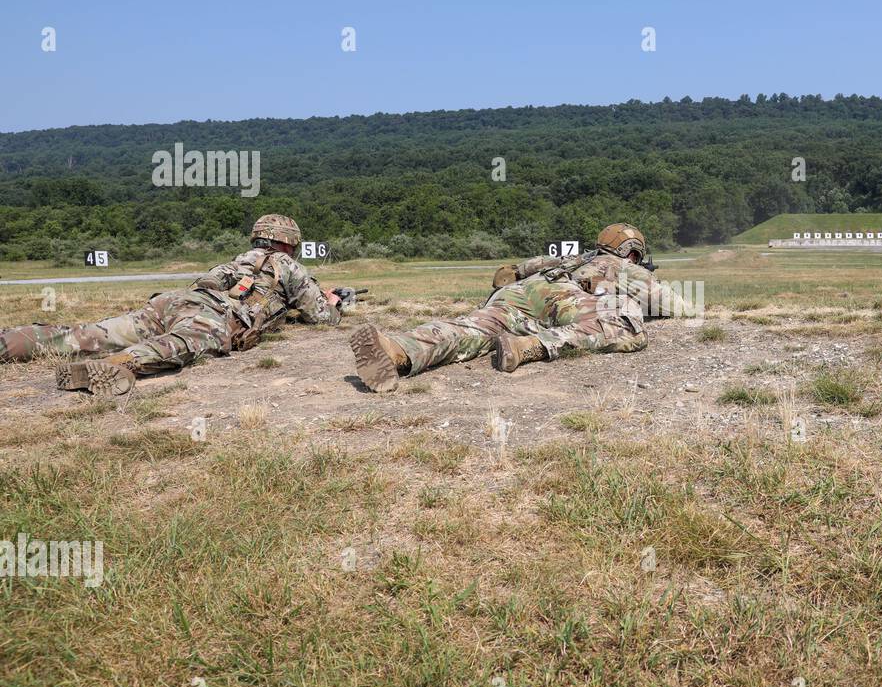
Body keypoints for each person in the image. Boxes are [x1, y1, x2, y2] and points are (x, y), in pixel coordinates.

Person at [0, 214, 343, 397]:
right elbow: (322, 318)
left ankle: (10, 341)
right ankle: (118, 365)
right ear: (288, 244)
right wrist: (335, 301)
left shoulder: (236, 261)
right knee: (180, 344)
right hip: (212, 315)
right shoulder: (289, 267)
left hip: (172, 302)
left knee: (88, 334)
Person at [348, 223, 691, 392]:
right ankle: (531, 347)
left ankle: (397, 349)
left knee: (470, 331)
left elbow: (506, 274)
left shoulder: (570, 257)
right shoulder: (623, 266)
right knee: (626, 326)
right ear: (631, 252)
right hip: (560, 299)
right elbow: (676, 305)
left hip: (516, 295)